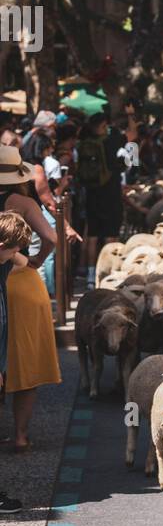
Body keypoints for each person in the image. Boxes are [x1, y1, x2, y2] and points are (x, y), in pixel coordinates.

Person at [0, 148, 62, 452]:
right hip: (22, 283)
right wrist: (35, 259)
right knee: (23, 361)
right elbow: (51, 237)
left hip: (4, 282)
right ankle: (21, 434)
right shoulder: (23, 202)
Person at [0, 210, 33, 508]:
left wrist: (11, 251)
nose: (18, 254)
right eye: (14, 247)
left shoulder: (3, 263)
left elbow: (22, 260)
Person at [77, 115, 125, 288]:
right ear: (104, 125)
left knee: (92, 236)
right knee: (110, 235)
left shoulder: (84, 143)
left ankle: (91, 276)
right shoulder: (111, 143)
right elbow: (131, 163)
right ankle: (109, 275)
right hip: (110, 194)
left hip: (92, 194)